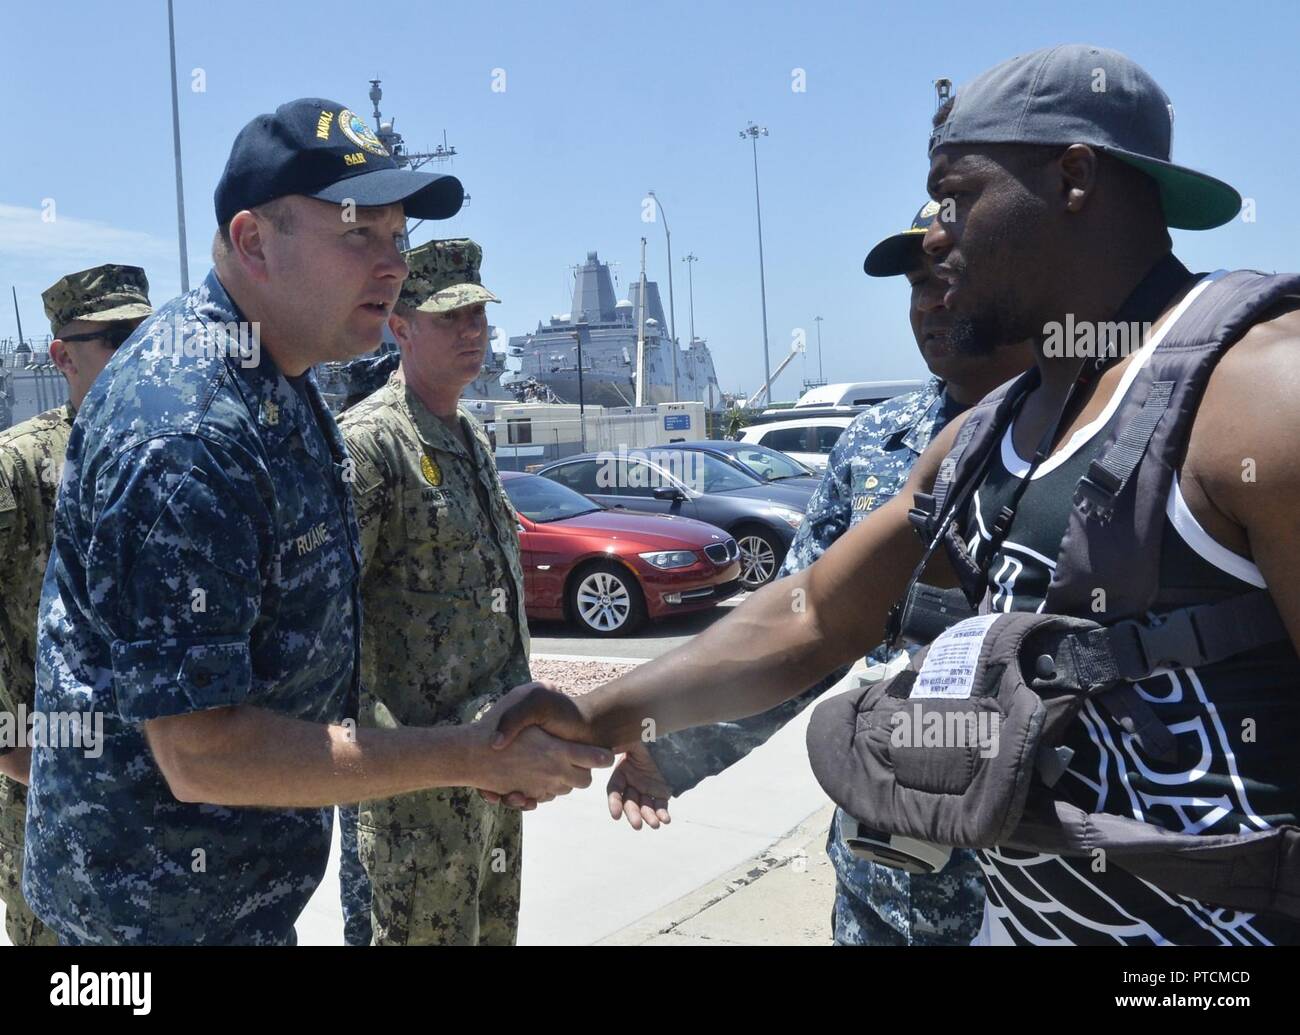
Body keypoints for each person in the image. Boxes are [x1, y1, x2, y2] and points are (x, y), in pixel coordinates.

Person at [491, 44, 1300, 946]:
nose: (940, 238)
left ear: (1075, 177)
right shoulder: (989, 432)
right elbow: (809, 618)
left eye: (959, 197)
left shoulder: (1260, 397)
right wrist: (596, 714)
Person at [22, 98, 610, 946]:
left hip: (238, 899)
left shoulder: (281, 376)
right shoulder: (185, 426)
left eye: (398, 239)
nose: (393, 267)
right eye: (357, 235)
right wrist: (466, 752)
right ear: (255, 241)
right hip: (148, 919)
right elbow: (203, 752)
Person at [640, 193, 1035, 945]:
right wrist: (671, 750)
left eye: (952, 274)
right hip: (877, 876)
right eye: (918, 285)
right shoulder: (874, 446)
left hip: (1021, 889)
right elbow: (799, 631)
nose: (933, 302)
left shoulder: (1083, 435)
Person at [339, 238, 530, 945]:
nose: (472, 331)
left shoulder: (472, 436)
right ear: (401, 326)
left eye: (477, 315)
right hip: (416, 790)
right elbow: (326, 620)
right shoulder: (370, 444)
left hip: (494, 773)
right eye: (450, 318)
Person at [0, 264, 152, 946]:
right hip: (54, 791)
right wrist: (10, 745)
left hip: (168, 786)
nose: (140, 354)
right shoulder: (19, 465)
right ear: (62, 355)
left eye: (146, 335)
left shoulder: (171, 453)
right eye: (118, 337)